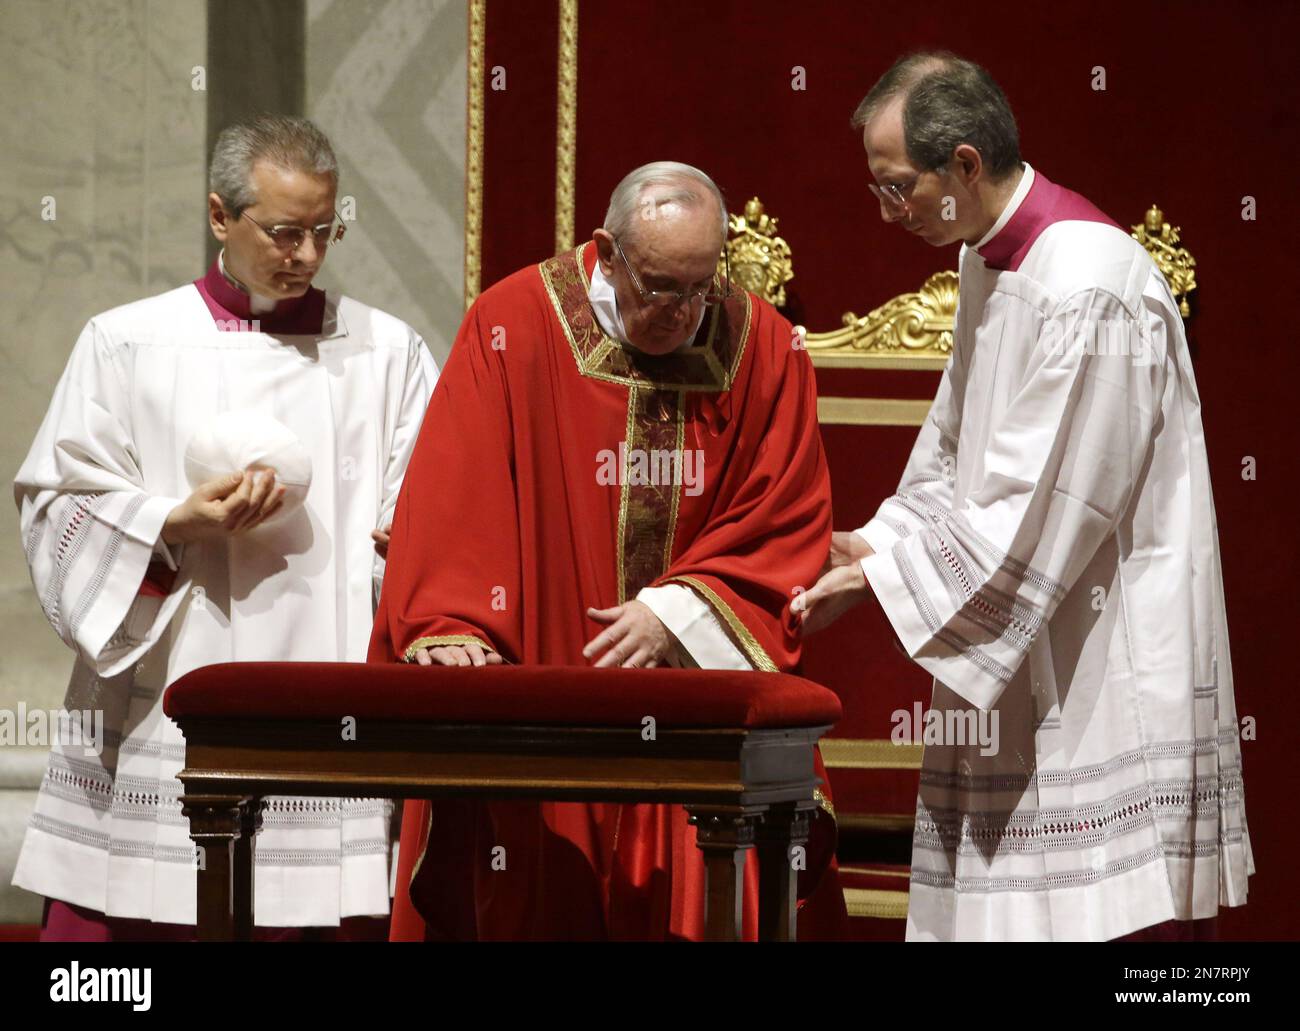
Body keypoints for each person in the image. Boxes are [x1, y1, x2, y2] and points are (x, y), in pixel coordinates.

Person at [794, 51, 1252, 941]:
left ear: (964, 165)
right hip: (1029, 650)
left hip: (1100, 651)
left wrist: (881, 581)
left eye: (896, 188)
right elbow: (958, 451)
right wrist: (877, 544)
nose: (888, 212)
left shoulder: (1088, 283)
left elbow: (1043, 500)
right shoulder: (988, 261)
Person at [371, 161, 846, 940]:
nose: (683, 312)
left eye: (701, 287)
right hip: (546, 667)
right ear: (607, 251)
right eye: (660, 288)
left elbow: (789, 513)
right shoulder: (513, 321)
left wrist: (678, 613)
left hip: (697, 693)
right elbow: (457, 487)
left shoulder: (761, 339)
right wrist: (454, 620)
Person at [12, 114, 438, 940]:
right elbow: (58, 500)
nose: (308, 255)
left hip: (329, 698)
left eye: (325, 230)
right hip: (162, 704)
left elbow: (421, 514)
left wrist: (405, 555)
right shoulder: (130, 342)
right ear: (219, 216)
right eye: (284, 232)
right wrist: (172, 520)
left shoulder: (388, 353)